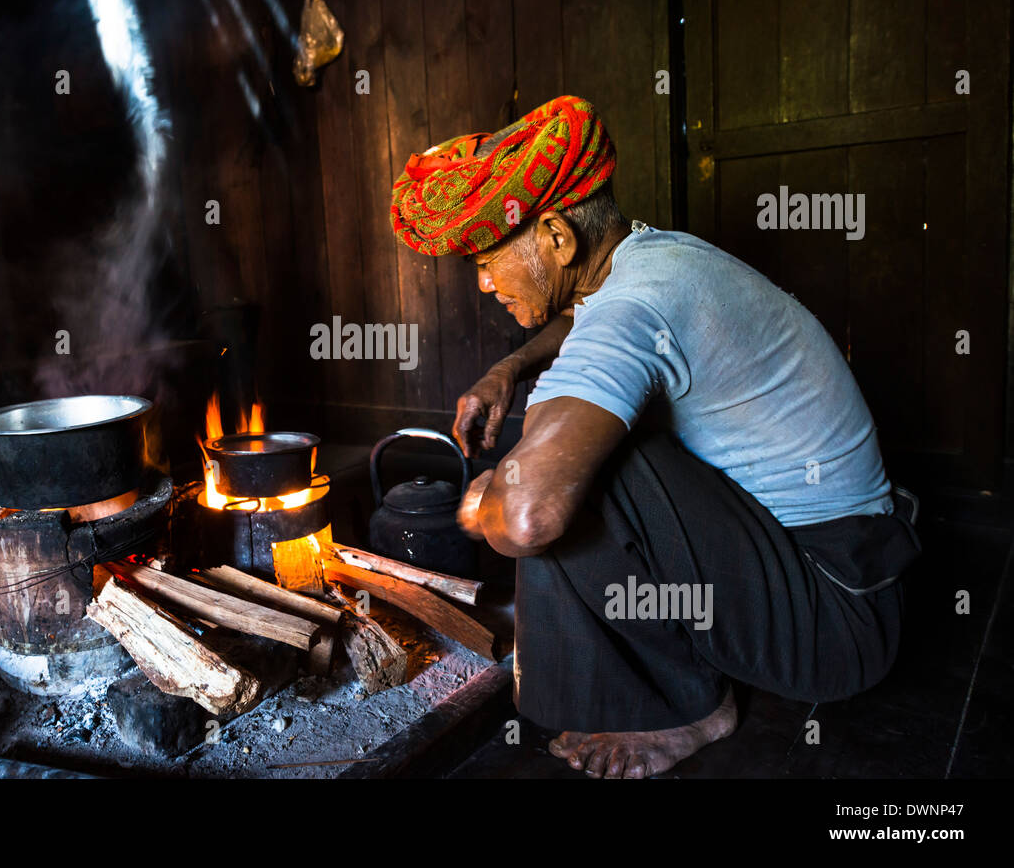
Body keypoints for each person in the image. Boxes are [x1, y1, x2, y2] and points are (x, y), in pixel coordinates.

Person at [388, 96, 921, 777]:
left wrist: (488, 494)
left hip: (837, 622)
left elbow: (527, 517)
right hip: (859, 571)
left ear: (557, 236)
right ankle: (646, 678)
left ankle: (686, 705)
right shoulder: (653, 255)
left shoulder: (634, 309)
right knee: (565, 430)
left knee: (565, 463)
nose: (486, 282)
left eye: (491, 259)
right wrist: (511, 367)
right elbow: (587, 311)